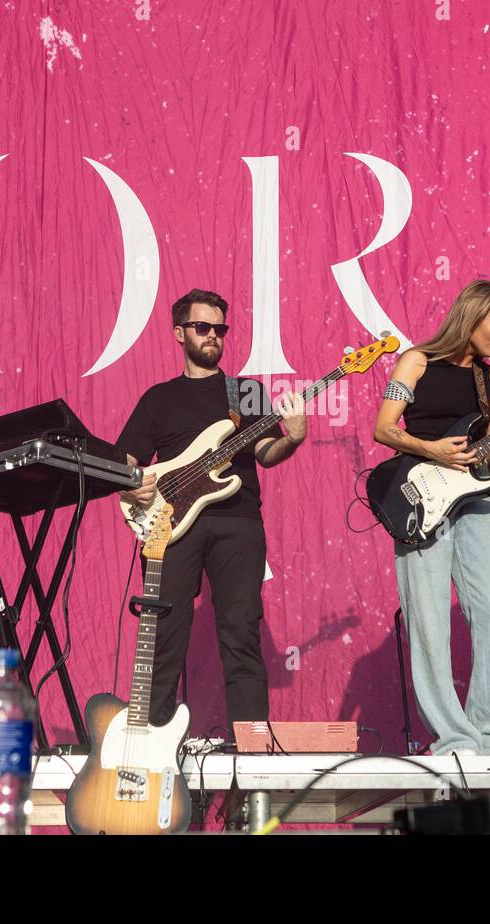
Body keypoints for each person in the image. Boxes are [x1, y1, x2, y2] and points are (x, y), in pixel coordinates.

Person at [117, 289, 306, 730]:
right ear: (179, 333)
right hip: (167, 524)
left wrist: (292, 437)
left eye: (220, 329)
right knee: (163, 636)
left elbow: (265, 451)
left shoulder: (244, 393)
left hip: (237, 522)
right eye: (203, 328)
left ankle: (252, 754)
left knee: (241, 633)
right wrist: (132, 486)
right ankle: (147, 743)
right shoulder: (157, 398)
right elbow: (126, 462)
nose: (213, 337)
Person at [373, 279, 490, 758]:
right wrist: (431, 449)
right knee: (427, 620)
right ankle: (454, 739)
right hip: (419, 495)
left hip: (475, 498)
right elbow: (384, 428)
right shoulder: (415, 361)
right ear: (472, 315)